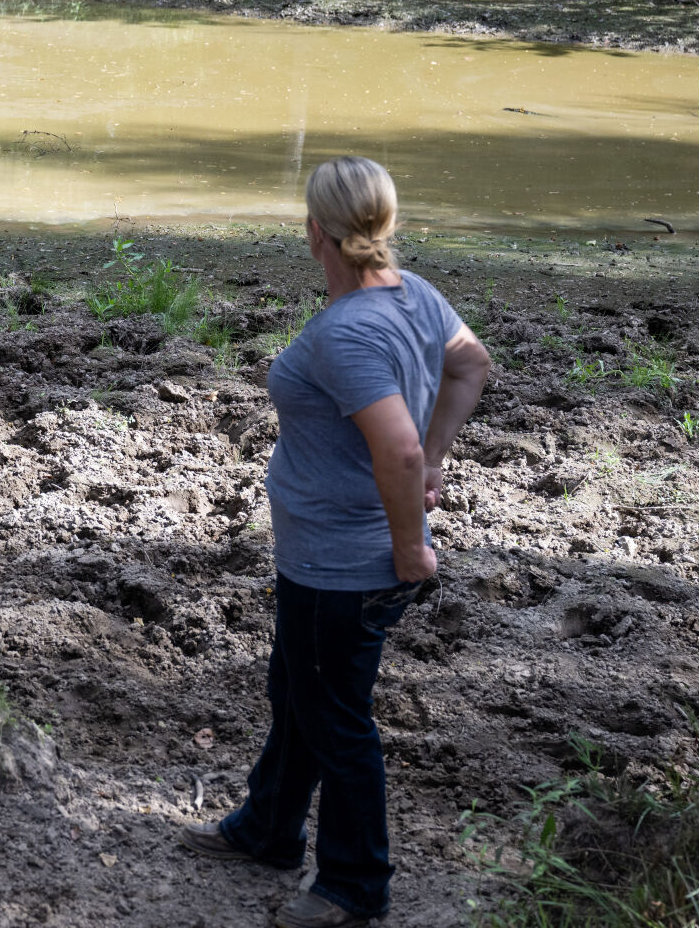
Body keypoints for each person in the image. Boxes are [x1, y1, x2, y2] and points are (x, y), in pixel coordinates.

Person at [179, 156, 490, 928]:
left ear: (314, 229)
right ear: (386, 223)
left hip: (343, 567)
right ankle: (267, 830)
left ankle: (354, 885)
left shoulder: (346, 333)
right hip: (324, 557)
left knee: (336, 721)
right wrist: (436, 457)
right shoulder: (415, 295)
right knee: (299, 696)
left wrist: (413, 537)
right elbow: (469, 364)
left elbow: (401, 451)